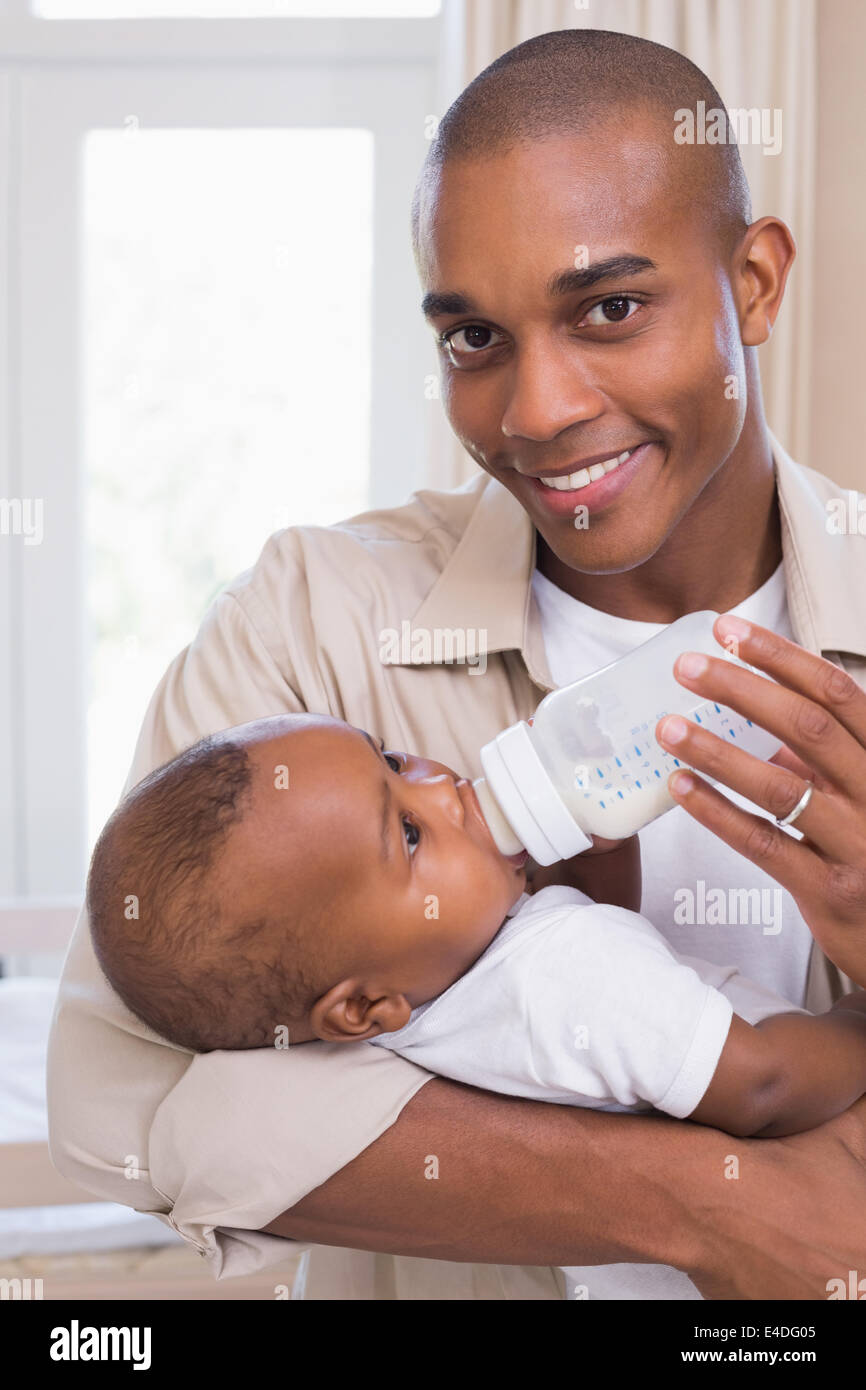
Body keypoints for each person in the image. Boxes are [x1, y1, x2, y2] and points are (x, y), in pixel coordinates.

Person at [47, 28, 866, 1301]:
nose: (534, 409)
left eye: (608, 308)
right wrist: (716, 1208)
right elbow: (128, 1101)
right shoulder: (307, 626)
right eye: (475, 338)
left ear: (752, 284)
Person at [84, 712, 866, 1147]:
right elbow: (762, 1082)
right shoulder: (557, 976)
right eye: (410, 836)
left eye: (391, 760)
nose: (443, 787)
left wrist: (599, 851)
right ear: (360, 1010)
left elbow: (614, 952)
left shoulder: (439, 995)